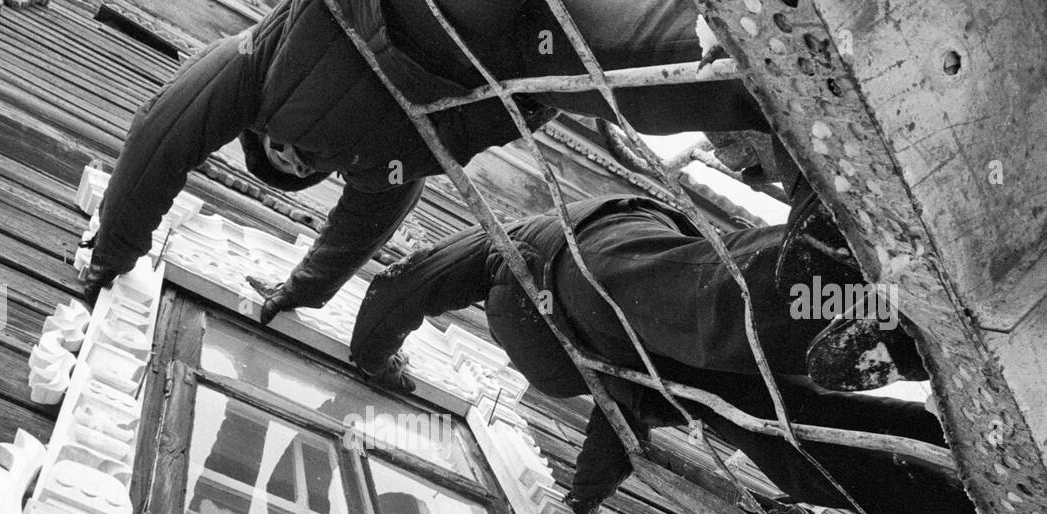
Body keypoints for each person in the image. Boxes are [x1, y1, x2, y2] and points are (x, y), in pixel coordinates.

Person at [347, 194, 1041, 514]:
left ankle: (842, 279)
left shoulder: (500, 246)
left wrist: (371, 355)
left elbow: (407, 285)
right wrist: (582, 502)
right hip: (654, 369)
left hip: (588, 260)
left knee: (710, 306)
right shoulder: (591, 368)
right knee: (799, 448)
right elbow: (615, 421)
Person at [83, 0, 773, 313]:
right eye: (297, 171)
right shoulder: (378, 169)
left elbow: (161, 139)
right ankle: (800, 61)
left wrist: (112, 254)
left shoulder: (259, 61)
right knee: (677, 78)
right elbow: (353, 236)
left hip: (422, 12)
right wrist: (301, 293)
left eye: (277, 150)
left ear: (258, 128)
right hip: (519, 56)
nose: (293, 158)